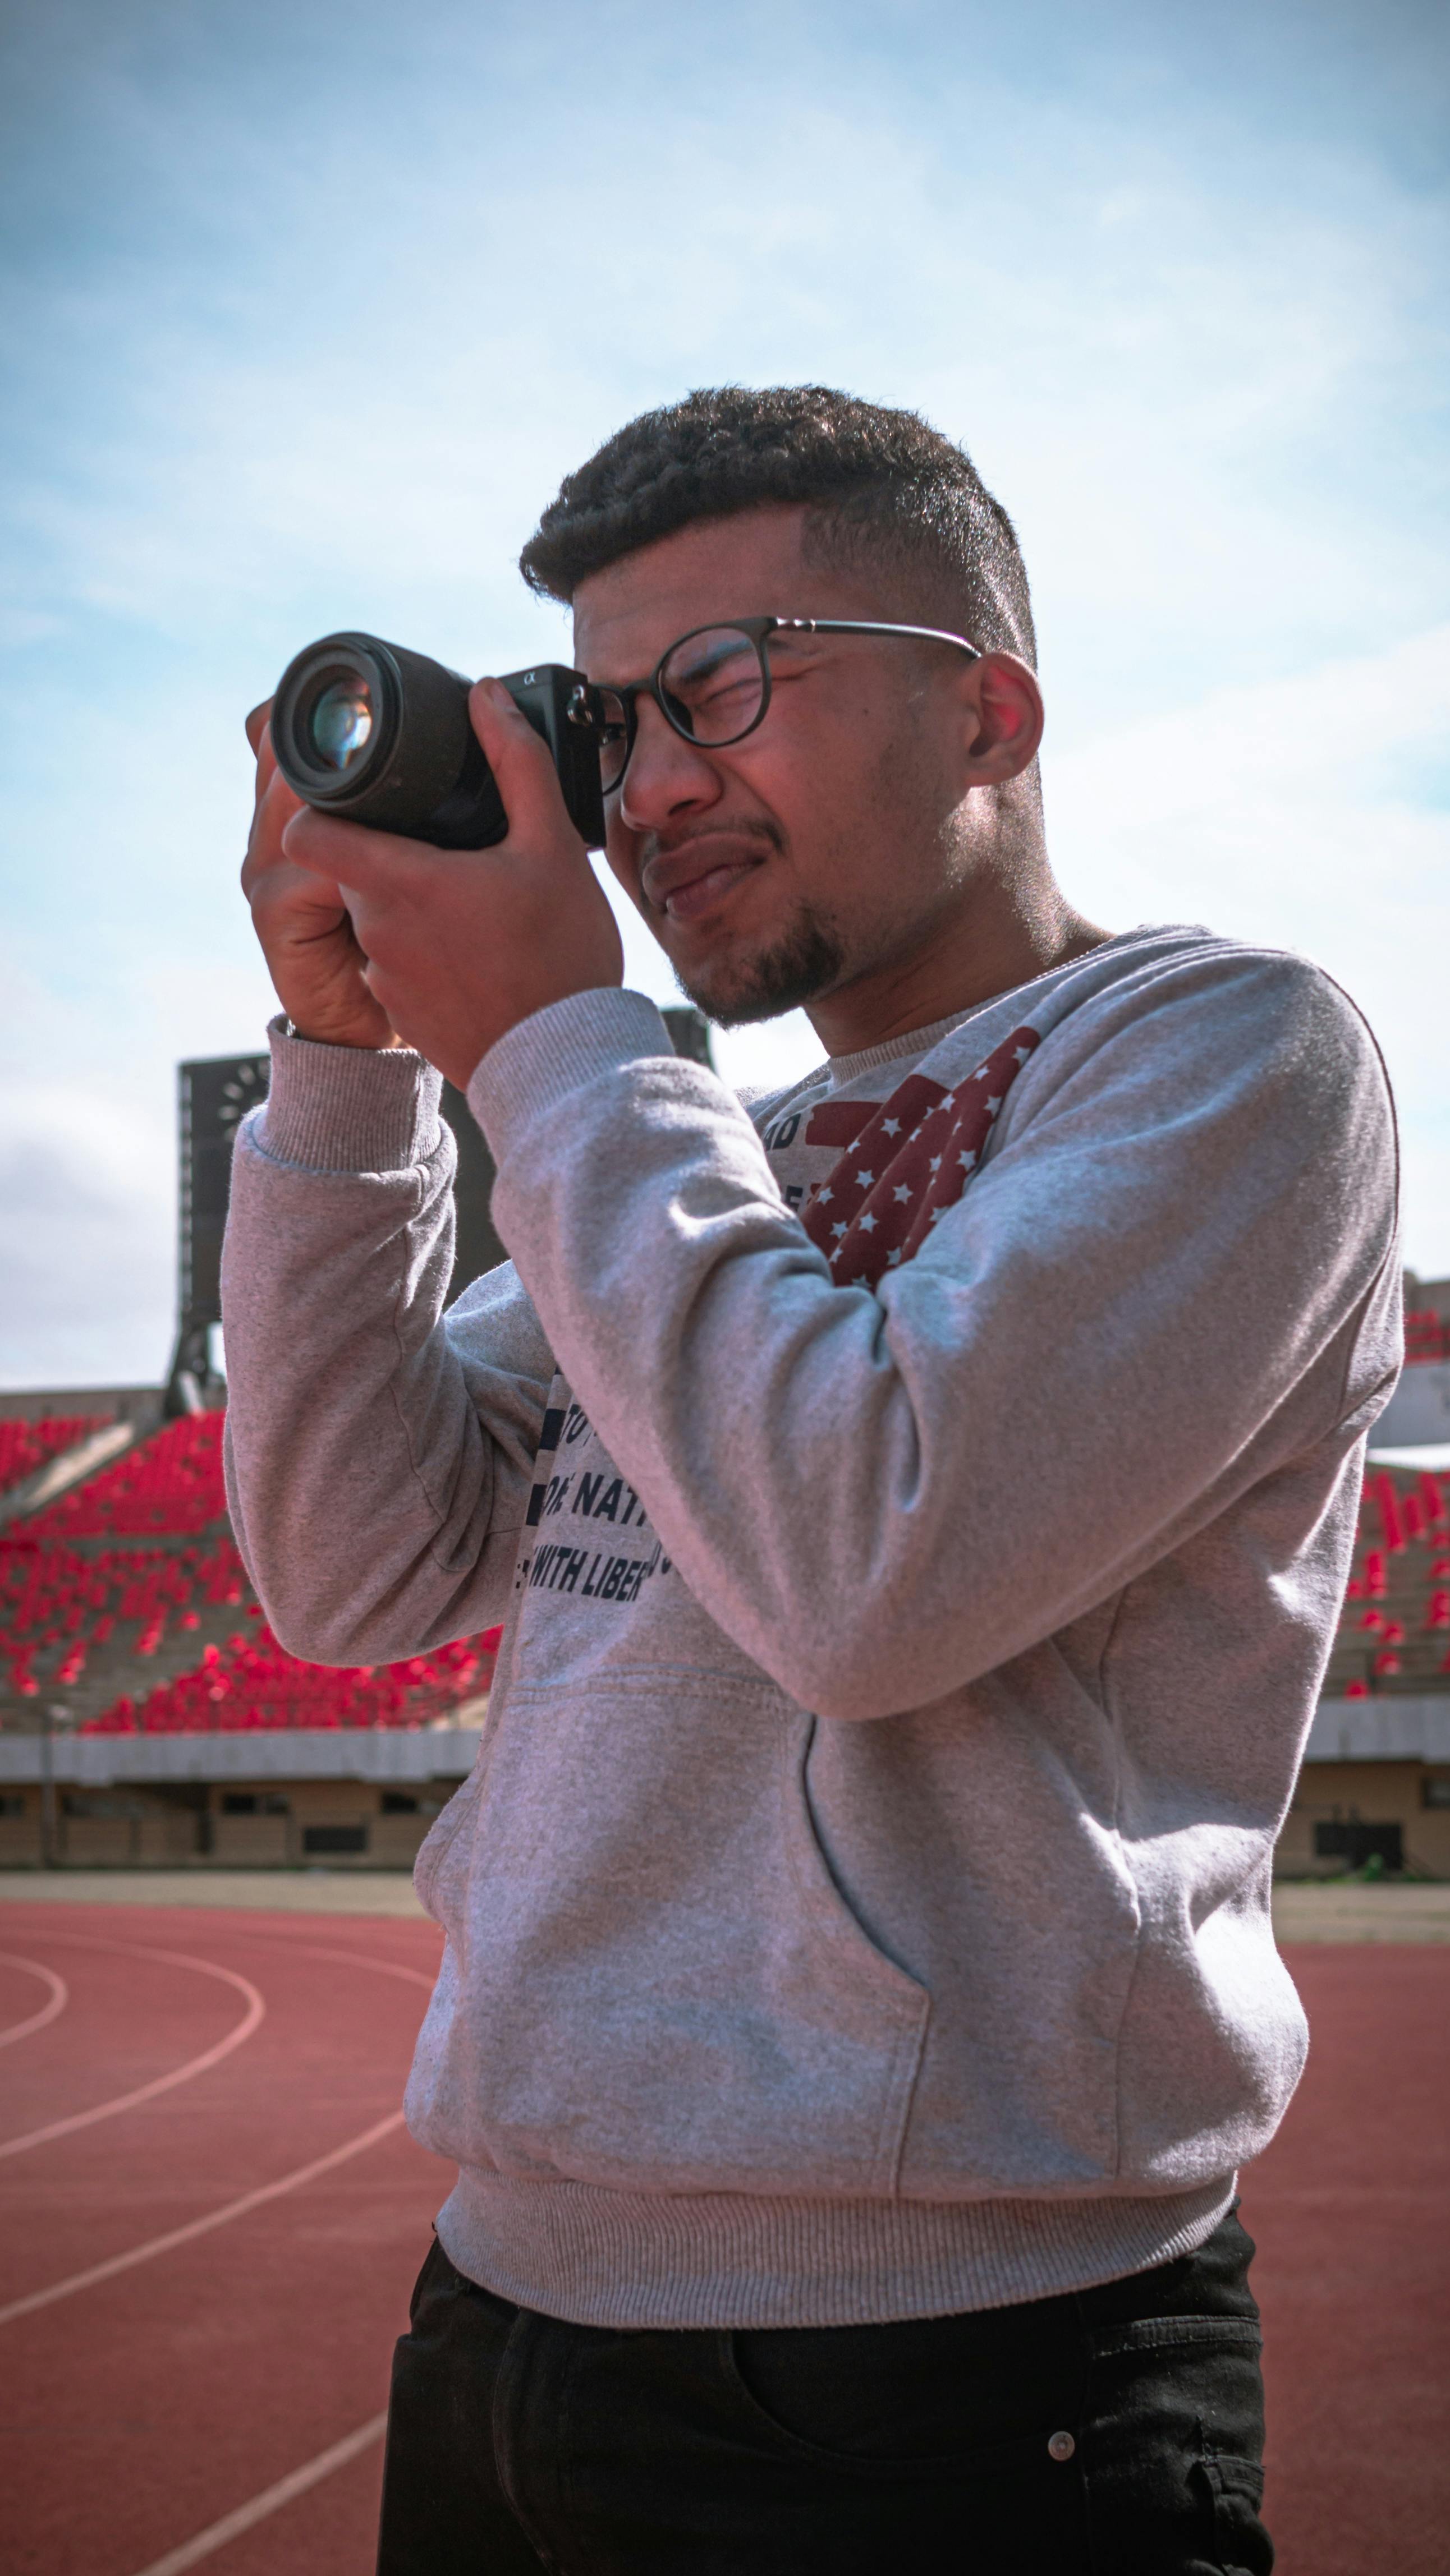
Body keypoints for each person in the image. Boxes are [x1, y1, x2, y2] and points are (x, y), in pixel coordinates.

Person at [224, 385, 1400, 2572]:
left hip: (951, 2378)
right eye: (601, 726)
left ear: (986, 711)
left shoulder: (1224, 1056)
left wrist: (563, 1039)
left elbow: (867, 1573)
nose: (650, 786)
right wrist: (349, 1072)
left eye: (724, 688)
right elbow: (351, 1564)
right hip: (500, 2308)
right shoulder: (704, 1166)